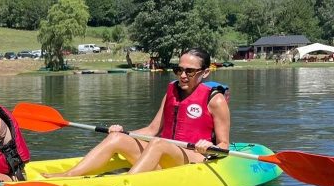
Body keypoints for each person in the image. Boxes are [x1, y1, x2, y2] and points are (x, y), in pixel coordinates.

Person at [46, 48, 230, 178]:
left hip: (194, 157)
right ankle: (69, 175)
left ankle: (127, 183)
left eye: (189, 72)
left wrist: (209, 146)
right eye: (179, 70)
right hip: (164, 152)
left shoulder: (215, 100)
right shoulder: (172, 92)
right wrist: (123, 134)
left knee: (158, 143)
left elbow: (224, 145)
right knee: (116, 138)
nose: (182, 75)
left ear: (205, 72)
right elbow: (152, 130)